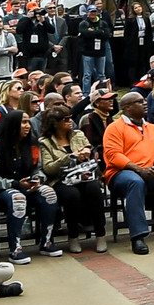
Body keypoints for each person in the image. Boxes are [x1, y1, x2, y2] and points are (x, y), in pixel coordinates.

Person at [102, 91, 154, 255]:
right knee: (135, 182)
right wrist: (139, 170)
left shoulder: (153, 128)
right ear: (127, 108)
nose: (145, 103)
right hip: (122, 172)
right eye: (139, 101)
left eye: (144, 100)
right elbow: (113, 155)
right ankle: (138, 236)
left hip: (151, 171)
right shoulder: (114, 128)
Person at [0, 109, 62, 258]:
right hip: (6, 189)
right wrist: (17, 184)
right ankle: (15, 249)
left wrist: (38, 179)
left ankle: (47, 242)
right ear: (12, 125)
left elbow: (37, 169)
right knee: (17, 199)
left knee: (49, 193)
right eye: (23, 122)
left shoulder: (32, 143)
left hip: (28, 186)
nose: (28, 126)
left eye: (28, 122)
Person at [37, 105, 104, 253]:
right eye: (65, 119)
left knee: (94, 189)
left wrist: (87, 151)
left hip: (83, 176)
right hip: (61, 179)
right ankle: (73, 236)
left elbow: (89, 148)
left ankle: (100, 234)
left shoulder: (78, 135)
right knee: (71, 195)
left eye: (70, 117)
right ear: (55, 123)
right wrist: (70, 157)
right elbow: (49, 168)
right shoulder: (45, 142)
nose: (70, 121)